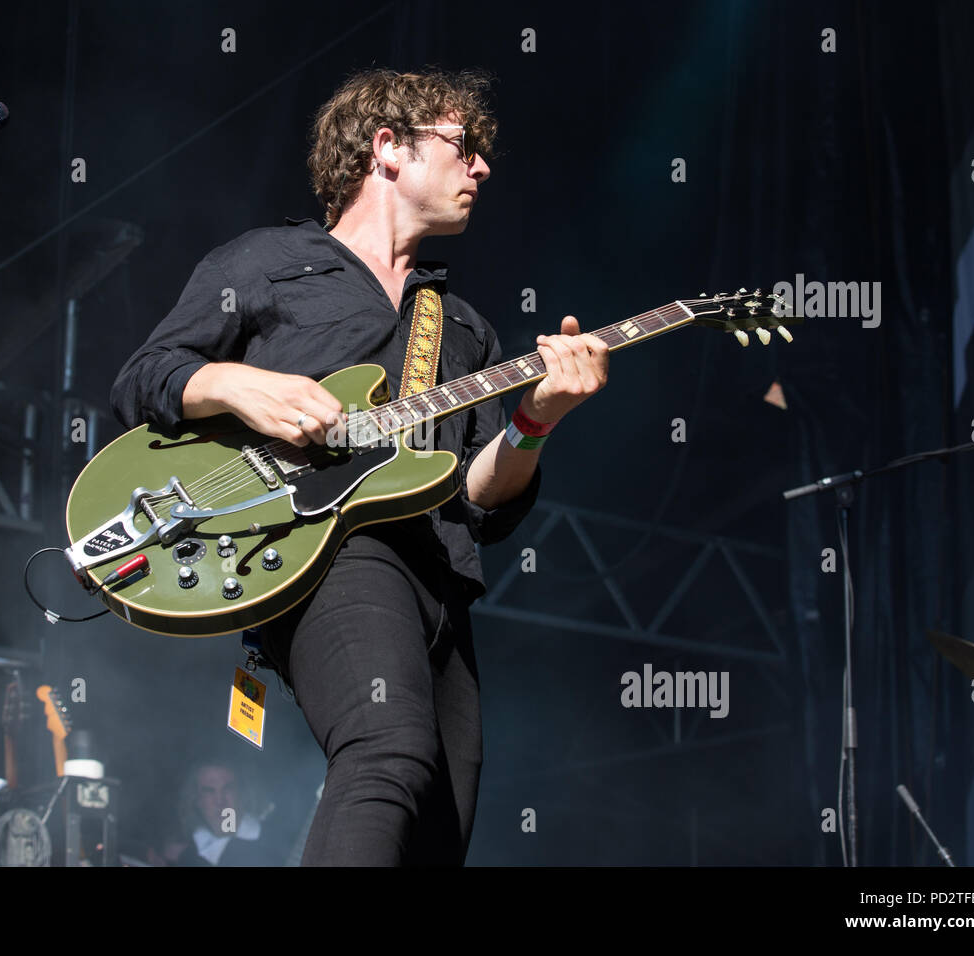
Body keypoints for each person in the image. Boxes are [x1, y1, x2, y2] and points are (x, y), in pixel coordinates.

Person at [110, 67, 609, 865]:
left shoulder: (464, 329)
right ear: (387, 148)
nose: (481, 168)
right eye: (462, 146)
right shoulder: (267, 261)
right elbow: (144, 378)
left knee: (436, 834)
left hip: (440, 581)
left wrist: (535, 420)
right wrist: (238, 383)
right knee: (387, 753)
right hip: (323, 546)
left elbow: (483, 500)